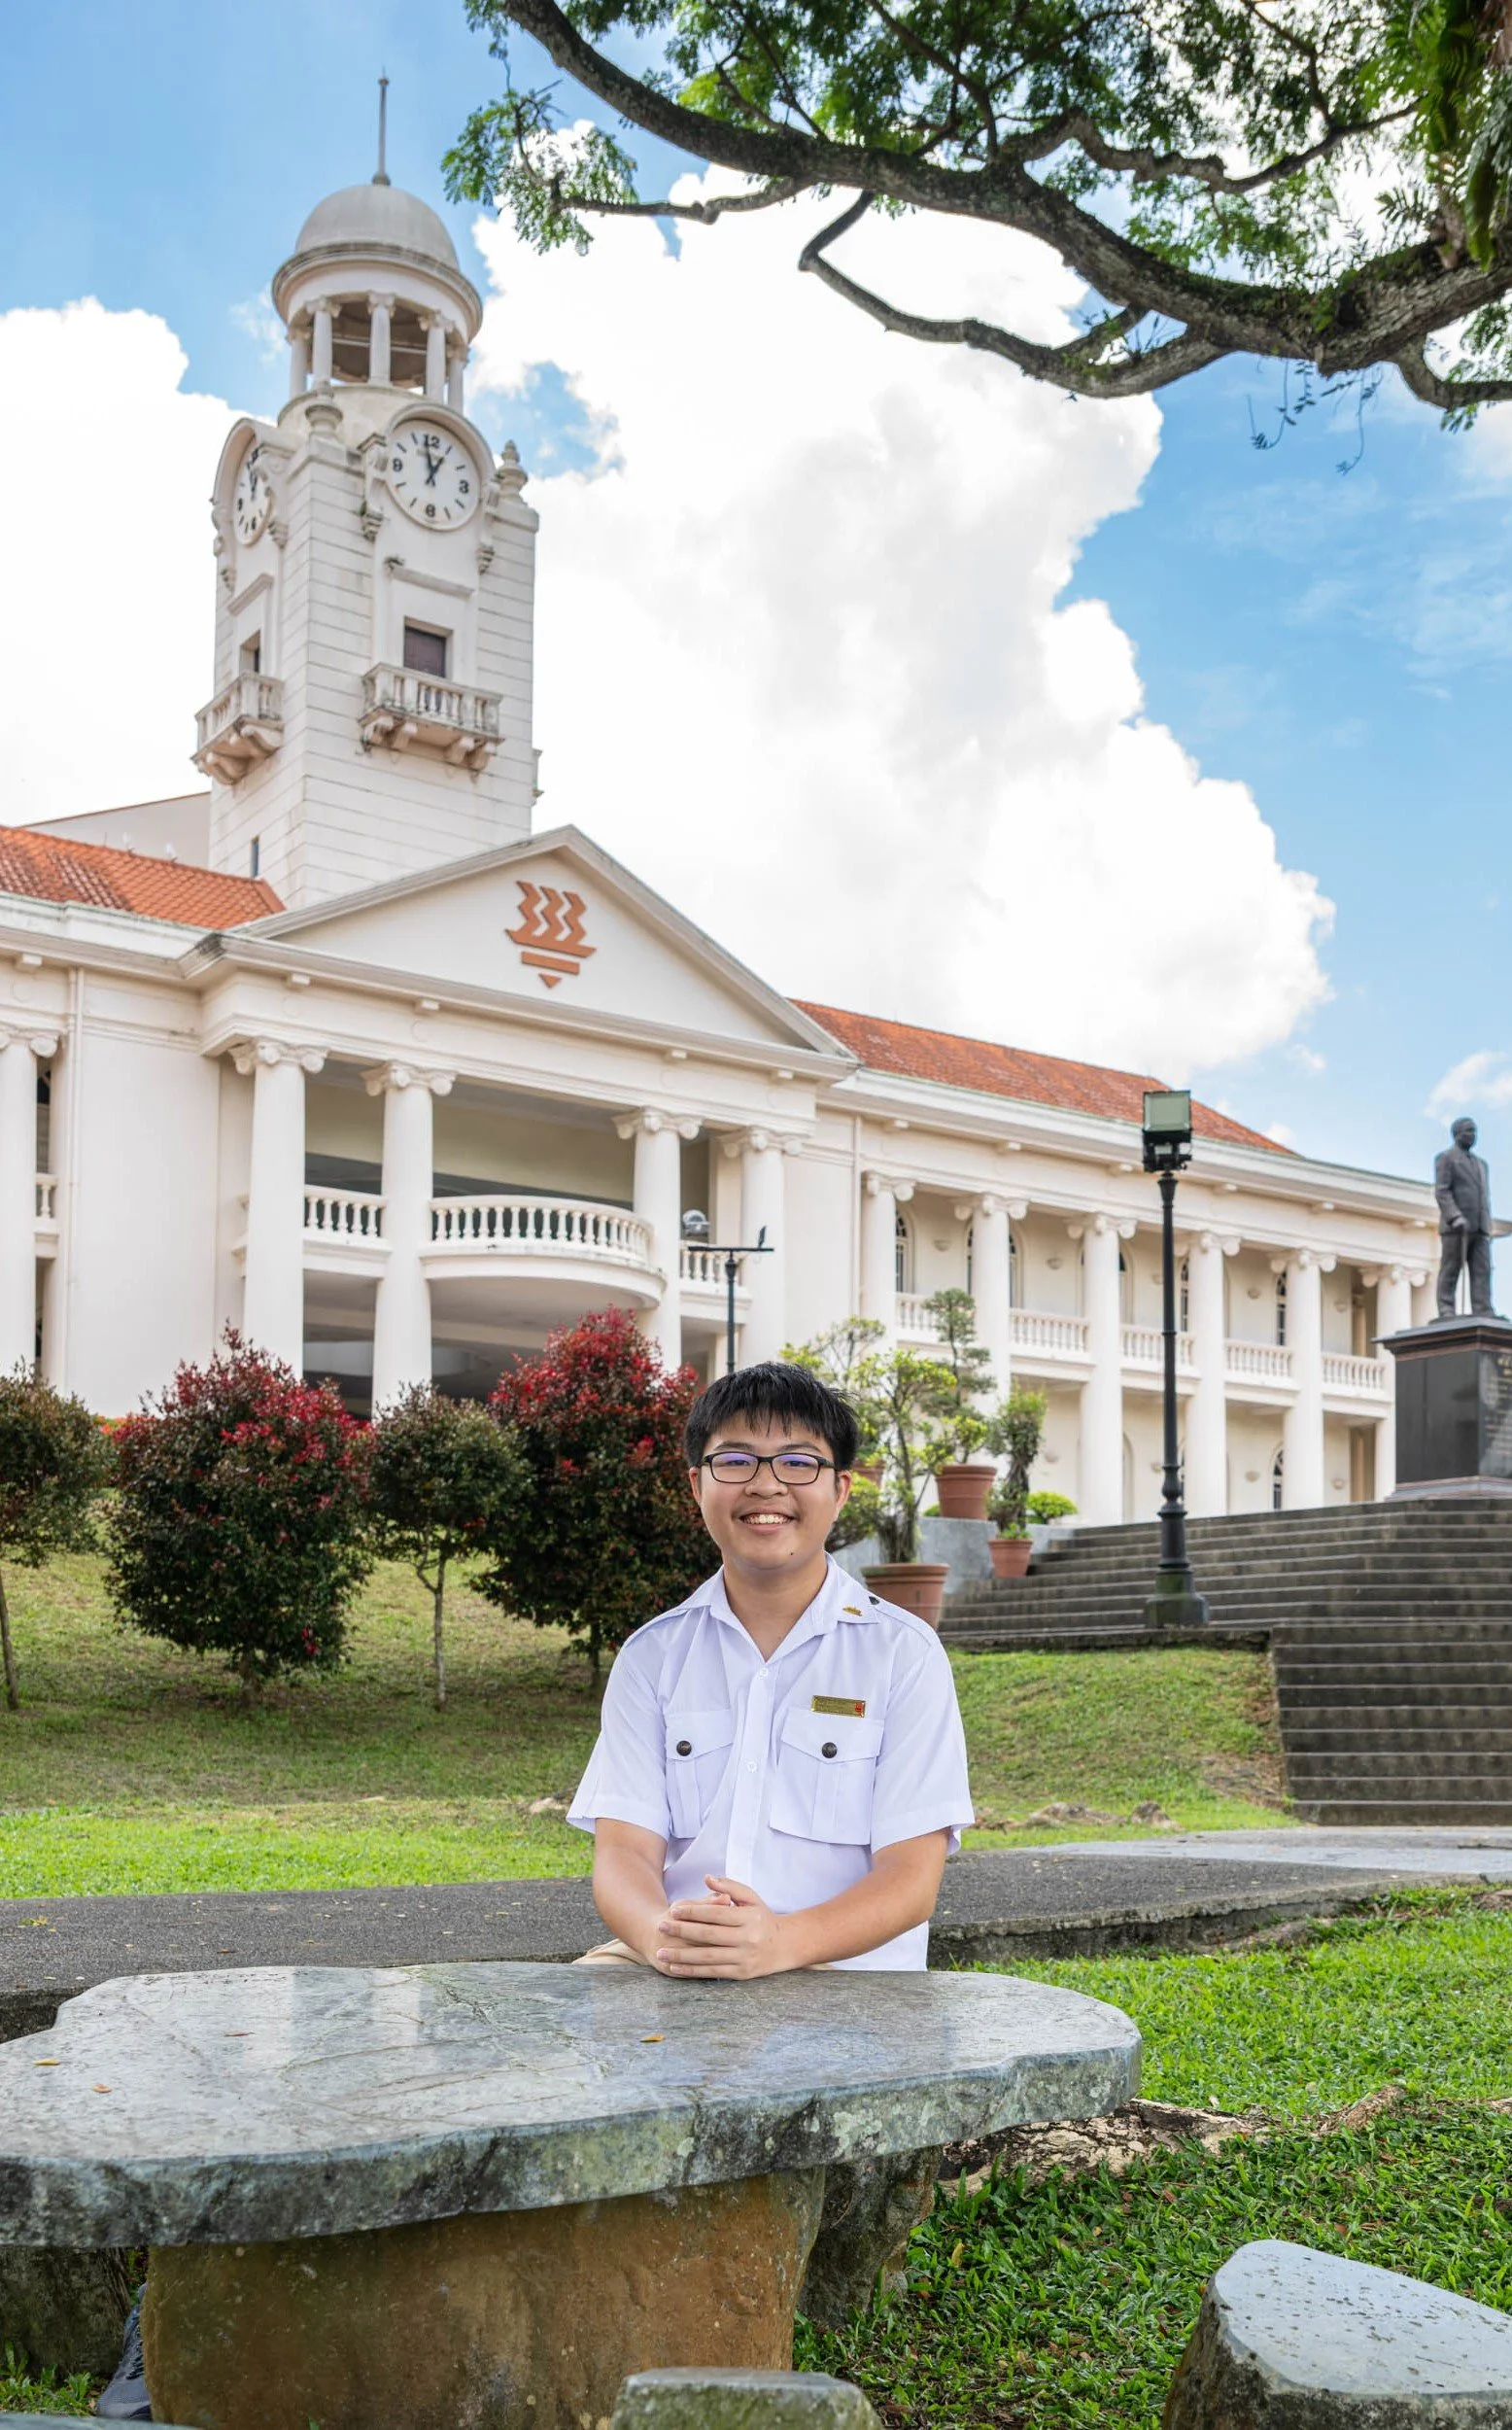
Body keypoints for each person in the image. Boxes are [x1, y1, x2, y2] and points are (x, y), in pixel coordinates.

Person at [567, 1359, 974, 1973]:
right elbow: (625, 1855)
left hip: (845, 1975)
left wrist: (779, 1943)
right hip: (675, 1958)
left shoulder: (903, 1655)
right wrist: (662, 1940)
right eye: (735, 1461)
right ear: (697, 1485)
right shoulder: (651, 1657)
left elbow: (911, 1880)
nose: (765, 1485)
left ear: (840, 1489)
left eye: (798, 1462)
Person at [1434, 1115, 1496, 1321]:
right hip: (1456, 1227)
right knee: (1451, 1269)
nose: (1472, 1135)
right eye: (1468, 1131)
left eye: (1474, 1131)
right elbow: (1442, 1191)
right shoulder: (1446, 1158)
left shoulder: (1482, 1165)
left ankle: (1483, 1307)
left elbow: (1484, 1196)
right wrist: (1455, 1216)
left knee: (1482, 1270)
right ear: (1456, 1134)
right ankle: (1446, 1308)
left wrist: (1487, 1225)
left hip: (1480, 1226)